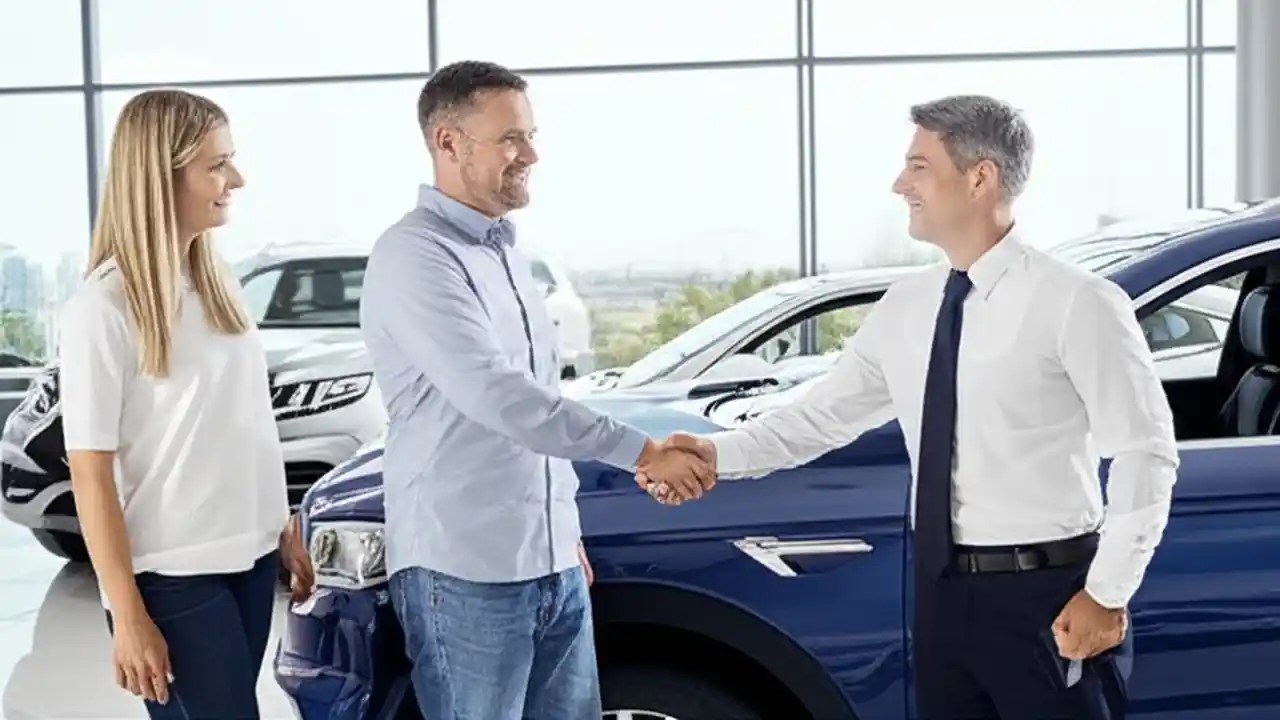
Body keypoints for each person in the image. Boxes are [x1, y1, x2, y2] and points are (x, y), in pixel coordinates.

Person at [641, 94, 1179, 718]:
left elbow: (1145, 452)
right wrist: (713, 453)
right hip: (939, 596)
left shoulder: (1078, 303)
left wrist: (1107, 593)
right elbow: (820, 417)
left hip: (1047, 599)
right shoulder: (908, 306)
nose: (900, 184)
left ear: (980, 177)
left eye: (918, 166)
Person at [357, 60, 709, 720]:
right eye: (511, 138)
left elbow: (543, 396)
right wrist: (643, 452)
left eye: (531, 135)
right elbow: (500, 396)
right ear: (449, 143)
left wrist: (560, 531)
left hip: (549, 563)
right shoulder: (415, 256)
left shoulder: (503, 253)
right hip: (465, 570)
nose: (531, 154)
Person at [59, 88, 313, 719]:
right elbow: (90, 473)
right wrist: (127, 615)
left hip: (250, 560)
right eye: (217, 165)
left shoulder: (216, 284)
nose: (237, 179)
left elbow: (245, 424)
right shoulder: (103, 308)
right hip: (172, 577)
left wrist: (280, 526)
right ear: (160, 177)